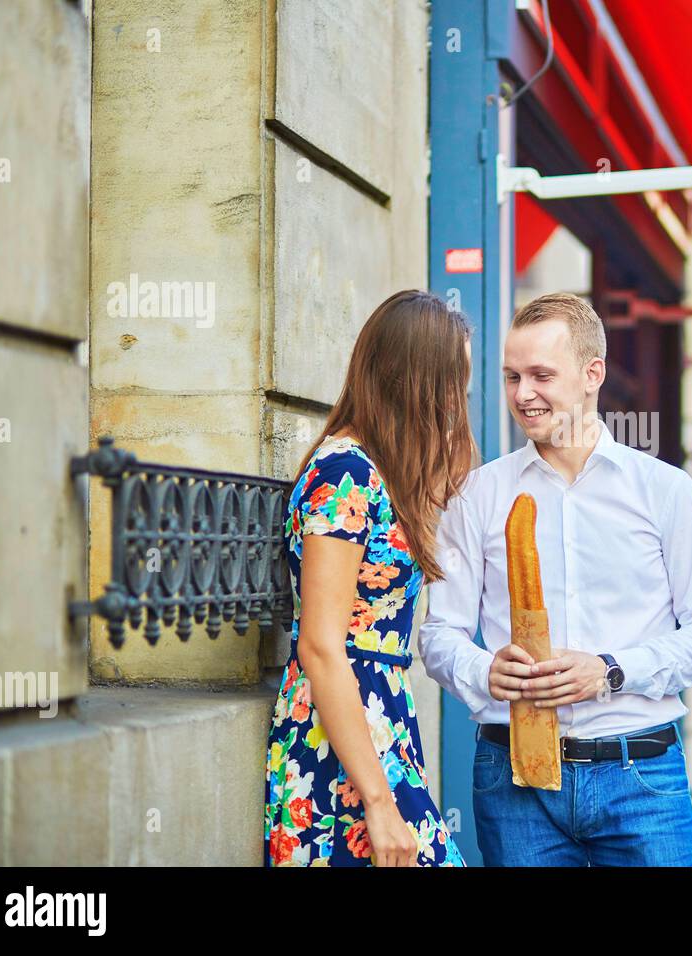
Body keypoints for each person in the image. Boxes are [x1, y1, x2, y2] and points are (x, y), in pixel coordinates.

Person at [419, 292, 692, 866]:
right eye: (513, 376)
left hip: (641, 778)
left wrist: (609, 671)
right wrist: (484, 669)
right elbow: (439, 635)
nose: (522, 394)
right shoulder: (477, 495)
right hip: (510, 779)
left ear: (593, 374)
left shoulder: (666, 492)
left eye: (542, 375)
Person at [265, 290, 476, 867]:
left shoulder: (378, 470)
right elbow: (320, 644)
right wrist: (380, 805)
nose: (459, 400)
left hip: (376, 719)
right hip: (340, 735)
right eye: (451, 381)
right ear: (416, 381)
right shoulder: (346, 474)